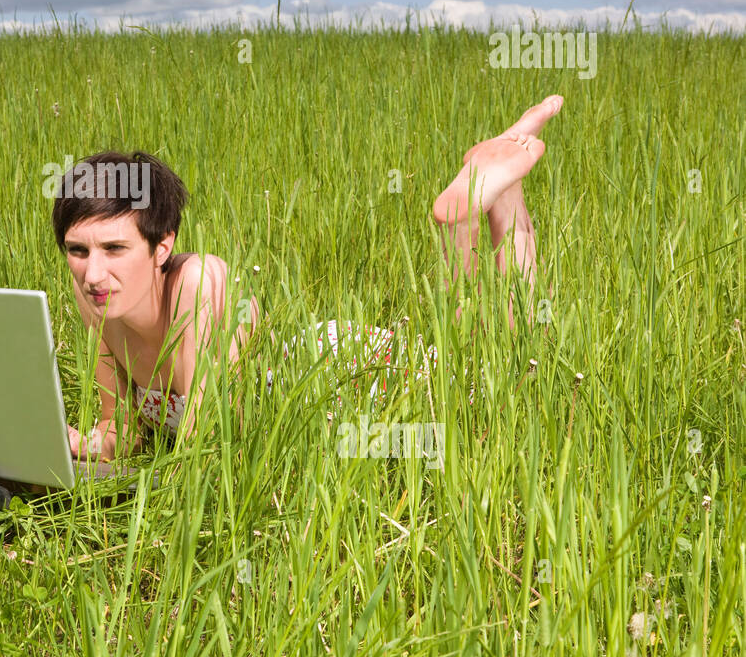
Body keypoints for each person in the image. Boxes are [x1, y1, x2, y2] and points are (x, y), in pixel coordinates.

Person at [54, 95, 564, 462]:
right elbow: (122, 434)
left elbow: (208, 441)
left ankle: (467, 219)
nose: (93, 272)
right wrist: (56, 441)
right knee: (488, 386)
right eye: (77, 251)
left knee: (497, 387)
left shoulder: (197, 281)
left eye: (115, 248)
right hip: (323, 399)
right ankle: (503, 187)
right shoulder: (99, 300)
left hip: (337, 375)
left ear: (162, 243)